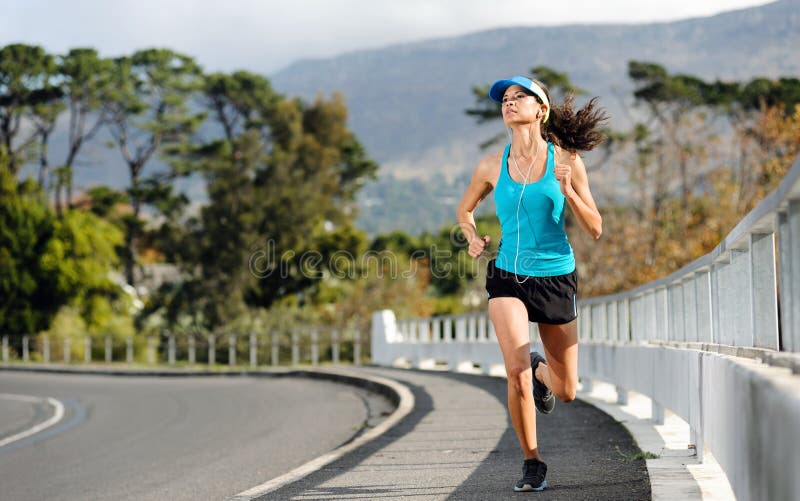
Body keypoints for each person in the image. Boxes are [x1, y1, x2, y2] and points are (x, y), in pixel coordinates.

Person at [456, 75, 607, 492]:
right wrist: (472, 237)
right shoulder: (491, 165)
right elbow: (464, 209)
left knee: (568, 390)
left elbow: (595, 227)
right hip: (508, 275)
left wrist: (568, 191)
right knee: (515, 371)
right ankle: (532, 461)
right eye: (505, 98)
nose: (510, 102)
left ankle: (544, 373)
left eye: (520, 96)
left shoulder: (568, 161)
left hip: (556, 277)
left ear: (540, 109)